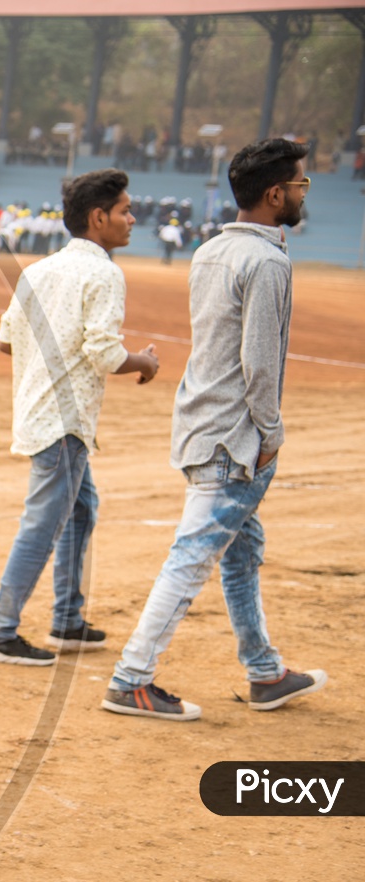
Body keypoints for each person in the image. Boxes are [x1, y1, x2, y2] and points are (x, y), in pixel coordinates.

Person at [103, 140, 325, 721]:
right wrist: (271, 433)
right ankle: (131, 679)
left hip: (201, 423)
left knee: (240, 550)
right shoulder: (269, 262)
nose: (303, 193)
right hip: (235, 438)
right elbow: (259, 363)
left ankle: (265, 671)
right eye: (300, 185)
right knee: (193, 556)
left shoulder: (209, 252)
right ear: (276, 194)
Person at [0, 169, 161, 667]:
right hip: (64, 424)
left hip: (43, 416)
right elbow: (103, 352)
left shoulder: (38, 270)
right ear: (99, 218)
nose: (131, 218)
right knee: (43, 524)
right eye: (124, 210)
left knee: (80, 509)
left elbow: (5, 340)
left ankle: (67, 618)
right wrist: (143, 361)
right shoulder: (104, 273)